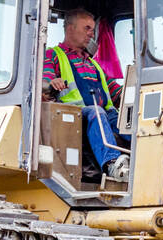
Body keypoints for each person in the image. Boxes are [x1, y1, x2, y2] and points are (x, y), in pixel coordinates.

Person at [43, 9, 129, 182]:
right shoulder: (54, 55)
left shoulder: (94, 65)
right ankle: (112, 163)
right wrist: (52, 84)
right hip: (74, 116)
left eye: (93, 30)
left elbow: (116, 91)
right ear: (70, 29)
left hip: (106, 114)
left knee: (129, 122)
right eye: (87, 28)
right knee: (95, 112)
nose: (92, 34)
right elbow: (44, 84)